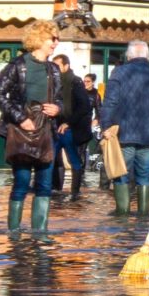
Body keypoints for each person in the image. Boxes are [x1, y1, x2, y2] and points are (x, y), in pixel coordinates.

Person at [0, 22, 65, 234]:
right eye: (53, 38)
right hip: (21, 132)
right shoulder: (18, 65)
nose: (56, 43)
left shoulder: (54, 69)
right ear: (40, 39)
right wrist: (20, 117)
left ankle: (40, 233)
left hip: (47, 132)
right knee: (22, 182)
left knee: (44, 184)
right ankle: (14, 232)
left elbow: (60, 100)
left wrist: (58, 108)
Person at [97, 40, 149, 217]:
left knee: (121, 174)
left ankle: (122, 213)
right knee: (144, 175)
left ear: (129, 56)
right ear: (148, 57)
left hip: (125, 132)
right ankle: (143, 215)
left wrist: (105, 126)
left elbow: (109, 102)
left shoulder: (119, 73)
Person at [52, 52, 94, 200]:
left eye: (57, 66)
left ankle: (75, 192)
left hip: (70, 128)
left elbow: (84, 106)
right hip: (55, 127)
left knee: (73, 159)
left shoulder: (75, 82)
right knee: (53, 158)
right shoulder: (52, 82)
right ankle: (55, 190)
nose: (54, 69)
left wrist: (69, 122)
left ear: (66, 66)